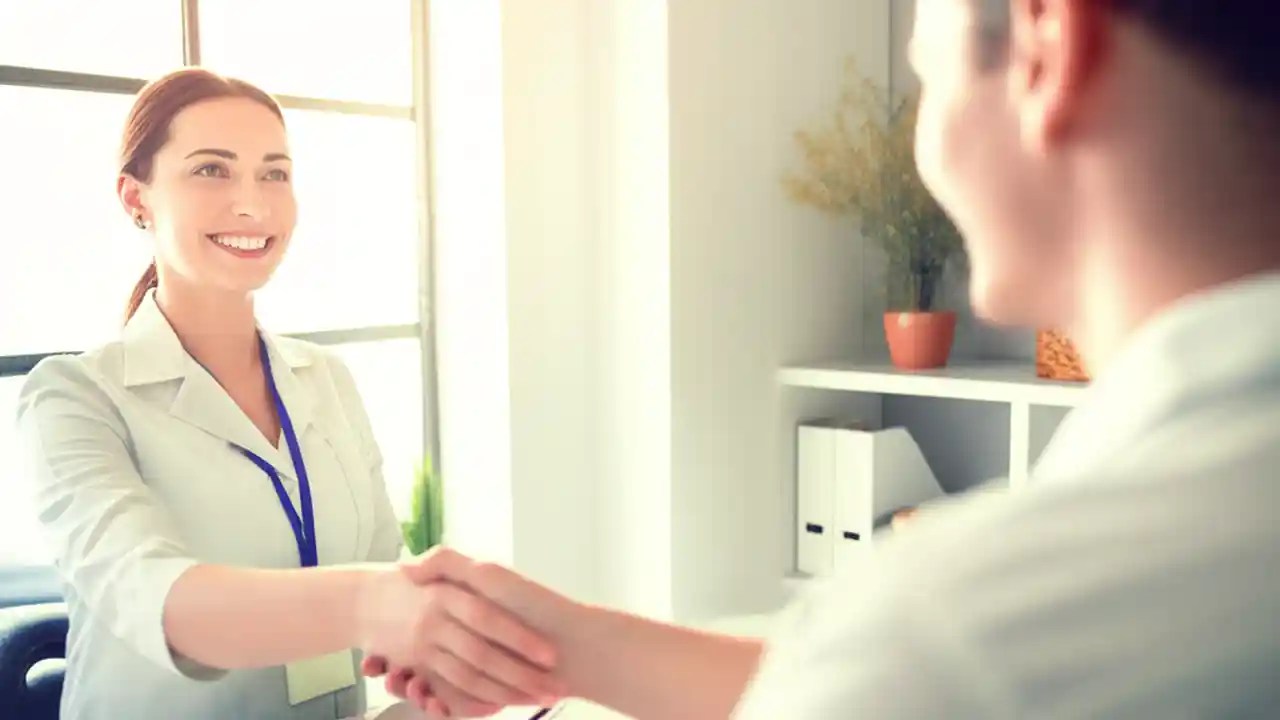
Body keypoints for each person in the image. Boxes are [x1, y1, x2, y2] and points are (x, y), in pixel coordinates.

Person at [369, 0, 1280, 717]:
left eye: (926, 80)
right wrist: (571, 649)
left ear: (1048, 46)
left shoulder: (958, 630)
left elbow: (926, 673)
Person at [15, 68, 566, 720]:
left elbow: (384, 569)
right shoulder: (74, 398)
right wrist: (382, 602)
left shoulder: (324, 377)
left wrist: (464, 674)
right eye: (211, 170)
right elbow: (154, 596)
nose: (252, 203)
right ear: (136, 199)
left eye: (274, 173)